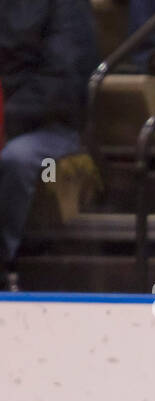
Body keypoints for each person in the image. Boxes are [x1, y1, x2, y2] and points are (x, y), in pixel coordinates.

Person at [0, 0, 98, 292]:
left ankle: (5, 265)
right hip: (8, 116)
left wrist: (6, 120)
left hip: (50, 127)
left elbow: (63, 83)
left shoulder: (67, 6)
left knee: (16, 160)